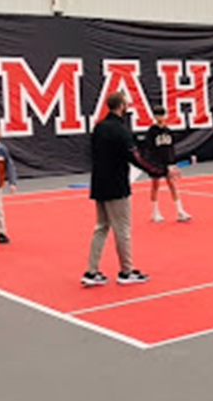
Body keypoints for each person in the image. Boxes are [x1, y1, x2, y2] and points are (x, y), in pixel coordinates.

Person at [82, 93, 168, 287]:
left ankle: (91, 271)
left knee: (101, 227)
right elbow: (135, 157)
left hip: (99, 184)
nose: (128, 105)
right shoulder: (120, 130)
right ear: (121, 106)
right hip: (116, 185)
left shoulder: (99, 127)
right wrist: (158, 171)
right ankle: (126, 271)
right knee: (123, 229)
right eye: (126, 103)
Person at [142, 106, 190, 223]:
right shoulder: (151, 132)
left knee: (172, 185)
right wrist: (152, 164)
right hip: (156, 163)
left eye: (162, 115)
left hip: (167, 162)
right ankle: (155, 212)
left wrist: (173, 163)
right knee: (155, 186)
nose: (160, 117)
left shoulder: (168, 131)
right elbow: (149, 149)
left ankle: (180, 211)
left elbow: (171, 148)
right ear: (154, 117)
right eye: (157, 115)